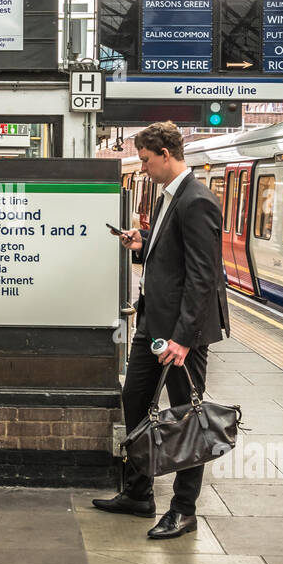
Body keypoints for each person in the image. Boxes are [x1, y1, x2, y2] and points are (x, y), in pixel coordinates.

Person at [94, 122, 230, 538]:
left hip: (181, 336)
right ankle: (138, 492)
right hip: (153, 324)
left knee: (188, 418)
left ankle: (184, 510)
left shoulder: (197, 201)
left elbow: (203, 277)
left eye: (148, 161)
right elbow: (174, 251)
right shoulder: (169, 197)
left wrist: (184, 340)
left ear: (166, 155)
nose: (145, 168)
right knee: (134, 401)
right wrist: (144, 240)